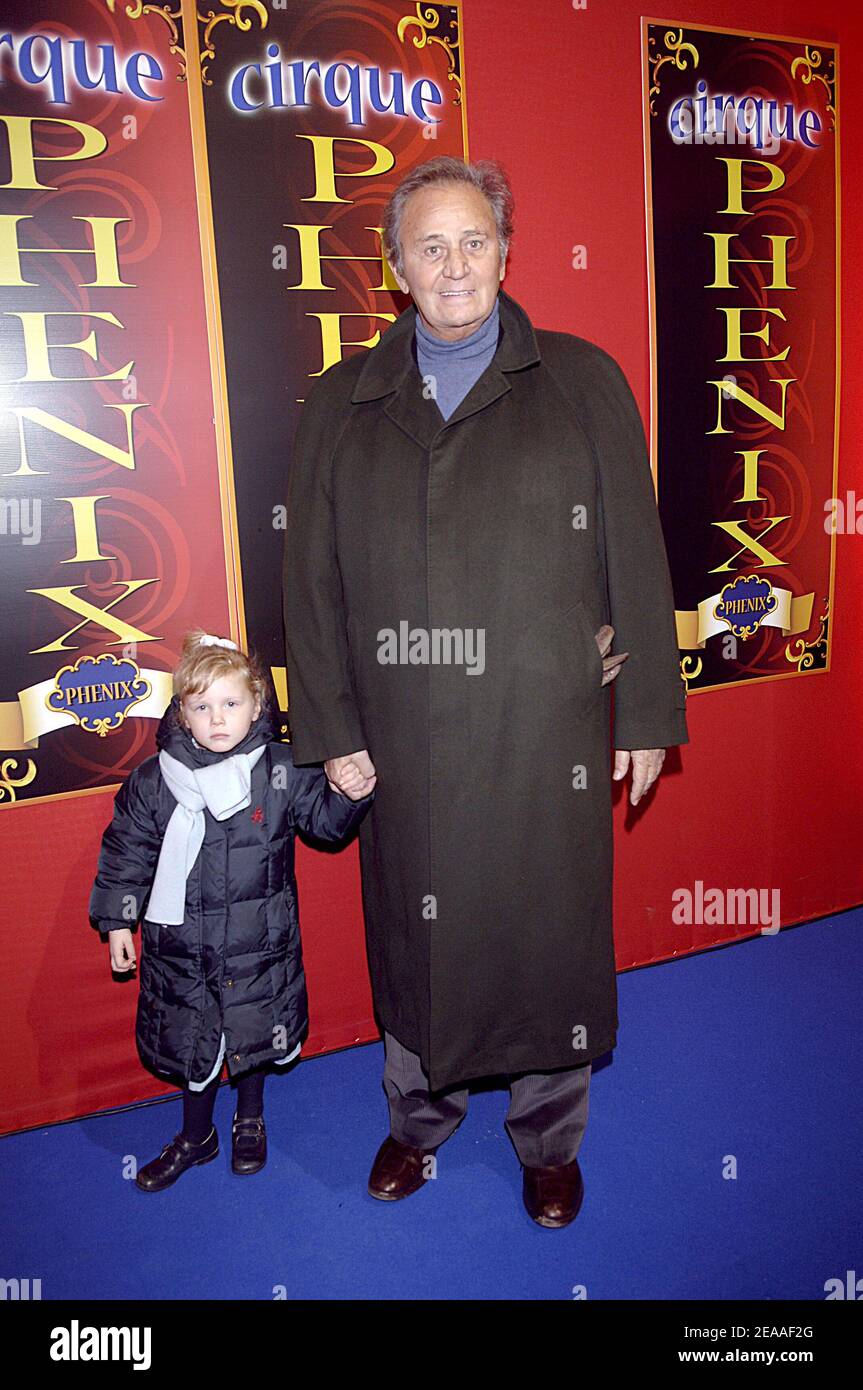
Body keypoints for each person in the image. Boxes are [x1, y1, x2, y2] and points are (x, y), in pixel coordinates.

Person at [282, 156, 688, 1227]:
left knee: (544, 937)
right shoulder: (341, 401)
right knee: (416, 938)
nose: (453, 263)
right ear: (396, 269)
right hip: (403, 739)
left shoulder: (585, 378)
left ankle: (548, 1139)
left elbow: (635, 557)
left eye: (472, 240)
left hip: (539, 729)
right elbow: (308, 582)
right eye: (429, 245)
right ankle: (416, 1123)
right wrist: (327, 729)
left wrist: (643, 710)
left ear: (505, 252)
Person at [88, 629, 373, 1191]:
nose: (218, 719)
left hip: (259, 941)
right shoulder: (155, 781)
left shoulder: (281, 769)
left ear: (256, 706)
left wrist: (349, 795)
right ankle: (197, 1137)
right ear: (182, 714)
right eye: (202, 706)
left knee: (254, 1032)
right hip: (182, 949)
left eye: (231, 703)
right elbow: (127, 850)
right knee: (195, 1039)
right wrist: (119, 918)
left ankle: (249, 1119)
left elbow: (323, 824)